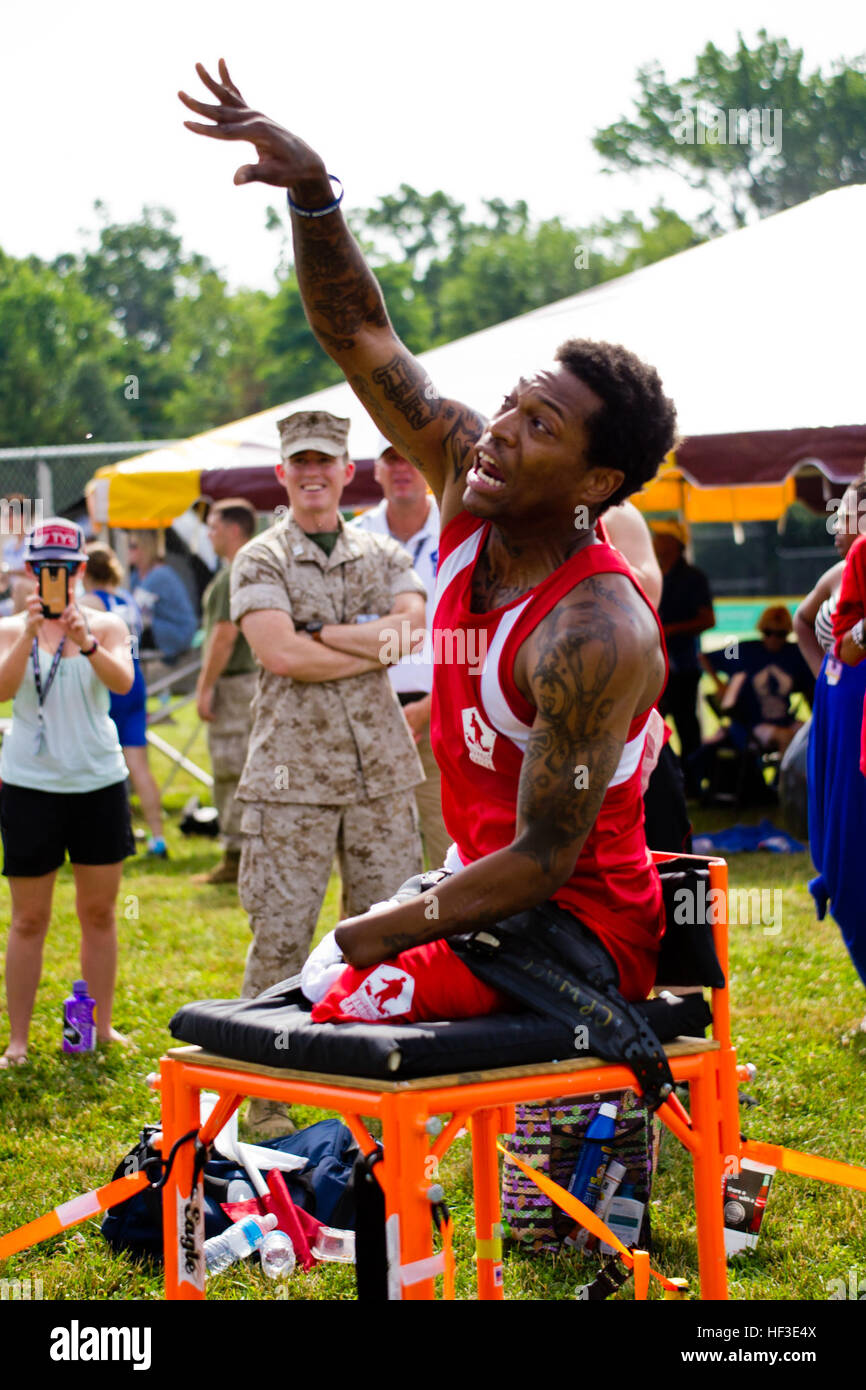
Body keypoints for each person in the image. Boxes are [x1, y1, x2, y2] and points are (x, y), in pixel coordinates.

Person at [180, 64, 676, 1028]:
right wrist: (316, 195)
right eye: (510, 402)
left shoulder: (595, 631)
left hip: (579, 930)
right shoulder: (464, 479)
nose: (497, 429)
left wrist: (385, 927)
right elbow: (362, 332)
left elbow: (543, 859)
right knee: (293, 1010)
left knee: (341, 1003)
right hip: (481, 898)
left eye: (541, 426)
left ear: (594, 485)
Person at [0, 518, 135, 1066]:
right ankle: (19, 1040)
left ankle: (100, 1027)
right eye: (42, 568)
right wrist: (31, 635)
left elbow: (123, 683)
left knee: (99, 914)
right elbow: (2, 691)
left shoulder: (108, 623)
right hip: (31, 786)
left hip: (97, 781)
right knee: (29, 919)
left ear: (80, 570)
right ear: (30, 572)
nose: (51, 576)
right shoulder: (10, 628)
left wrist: (85, 641)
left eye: (62, 568)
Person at [351, 436, 450, 868]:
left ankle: (448, 934)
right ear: (376, 470)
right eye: (390, 460)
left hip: (444, 709)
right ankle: (373, 936)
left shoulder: (460, 530)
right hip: (370, 709)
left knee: (446, 842)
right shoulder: (353, 538)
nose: (401, 468)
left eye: (411, 457)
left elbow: (476, 625)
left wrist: (434, 703)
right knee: (372, 850)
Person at [797, 477, 866, 1027]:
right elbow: (804, 620)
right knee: (835, 843)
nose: (835, 525)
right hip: (837, 715)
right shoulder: (837, 573)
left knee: (855, 849)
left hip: (857, 720)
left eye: (844, 513)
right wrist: (827, 679)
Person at [81, 542, 168, 858]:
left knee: (98, 764)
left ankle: (105, 835)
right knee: (138, 766)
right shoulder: (127, 597)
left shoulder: (90, 601)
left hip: (108, 683)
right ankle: (158, 838)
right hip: (134, 681)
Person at [192, 498, 258, 885]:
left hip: (235, 684)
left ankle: (237, 856)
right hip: (250, 683)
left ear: (235, 530)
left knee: (231, 767)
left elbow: (223, 635)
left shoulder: (235, 573)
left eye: (214, 526)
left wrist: (205, 688)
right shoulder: (257, 566)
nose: (209, 533)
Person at [651, 521, 715, 795]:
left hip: (683, 666)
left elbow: (707, 619)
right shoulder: (649, 573)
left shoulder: (693, 578)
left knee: (686, 725)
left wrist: (671, 630)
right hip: (652, 666)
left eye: (662, 537)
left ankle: (692, 785)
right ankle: (654, 787)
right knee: (649, 725)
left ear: (675, 543)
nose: (655, 541)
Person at [703, 605, 813, 757]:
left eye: (780, 634)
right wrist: (719, 684)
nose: (773, 639)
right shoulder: (743, 650)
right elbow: (705, 657)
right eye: (768, 633)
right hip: (754, 724)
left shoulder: (793, 654)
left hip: (785, 719)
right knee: (786, 736)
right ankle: (783, 780)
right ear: (761, 630)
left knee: (815, 733)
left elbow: (809, 685)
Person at [128, 531, 197, 666]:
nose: (128, 550)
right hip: (157, 629)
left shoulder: (160, 575)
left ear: (146, 547)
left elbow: (134, 608)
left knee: (130, 628)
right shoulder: (137, 575)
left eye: (133, 546)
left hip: (178, 633)